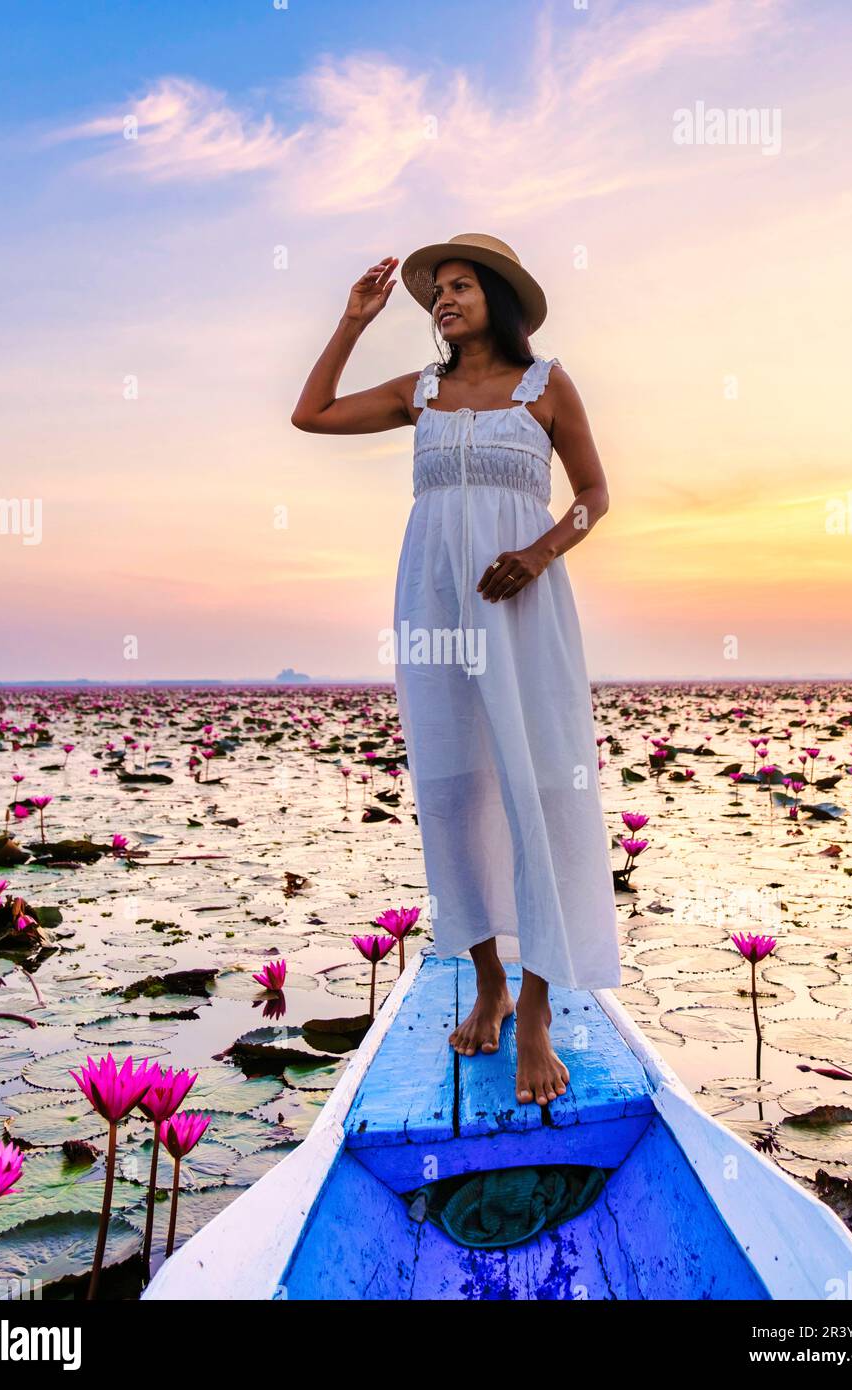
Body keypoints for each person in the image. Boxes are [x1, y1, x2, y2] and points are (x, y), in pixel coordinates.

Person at [292, 233, 621, 1105]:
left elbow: (594, 497)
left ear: (500, 298)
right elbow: (311, 414)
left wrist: (541, 551)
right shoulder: (421, 394)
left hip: (523, 604)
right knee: (450, 789)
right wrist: (352, 321)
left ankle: (540, 1007)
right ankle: (489, 981)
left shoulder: (546, 386)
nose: (443, 298)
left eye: (461, 285)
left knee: (541, 789)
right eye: (435, 290)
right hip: (434, 605)